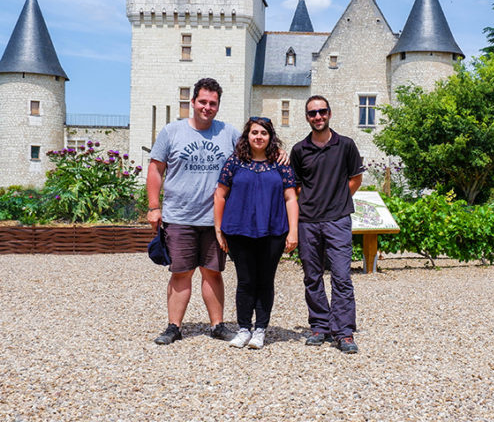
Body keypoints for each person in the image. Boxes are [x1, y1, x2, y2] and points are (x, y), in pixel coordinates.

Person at [147, 78, 238, 345]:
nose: (207, 107)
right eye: (203, 102)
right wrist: (154, 207)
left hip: (215, 219)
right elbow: (155, 169)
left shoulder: (229, 133)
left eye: (213, 103)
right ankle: (174, 326)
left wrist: (277, 150)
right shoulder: (172, 132)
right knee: (181, 272)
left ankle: (218, 325)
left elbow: (255, 149)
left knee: (213, 272)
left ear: (218, 105)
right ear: (193, 102)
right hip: (179, 216)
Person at [213, 117, 299, 349]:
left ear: (270, 137)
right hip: (239, 231)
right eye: (254, 133)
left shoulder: (280, 163)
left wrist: (293, 232)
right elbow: (220, 195)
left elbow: (291, 198)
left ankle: (260, 329)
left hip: (273, 232)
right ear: (247, 136)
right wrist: (219, 228)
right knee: (245, 281)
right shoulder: (235, 162)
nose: (258, 137)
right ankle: (243, 329)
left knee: (265, 281)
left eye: (263, 133)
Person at [289, 95, 365, 354]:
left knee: (342, 277)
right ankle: (320, 326)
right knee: (312, 277)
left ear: (329, 114)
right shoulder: (299, 150)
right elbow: (296, 187)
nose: (318, 117)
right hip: (308, 222)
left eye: (322, 112)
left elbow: (356, 178)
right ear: (307, 117)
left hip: (338, 220)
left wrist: (338, 200)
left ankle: (343, 332)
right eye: (312, 113)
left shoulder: (345, 145)